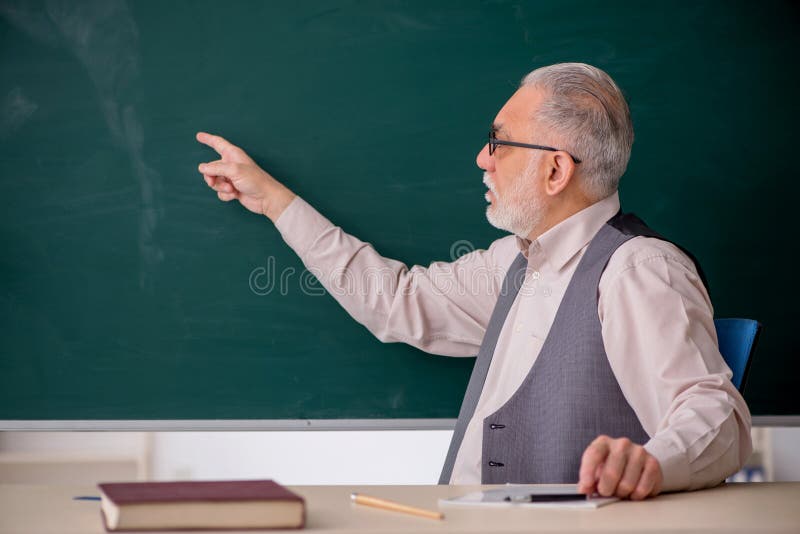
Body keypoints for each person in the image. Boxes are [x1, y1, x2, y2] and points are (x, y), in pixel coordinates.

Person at [196, 63, 751, 500]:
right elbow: (397, 301)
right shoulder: (513, 262)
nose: (482, 158)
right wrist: (273, 200)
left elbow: (717, 418)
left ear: (555, 170)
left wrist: (653, 464)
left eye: (500, 141)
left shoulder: (637, 270)